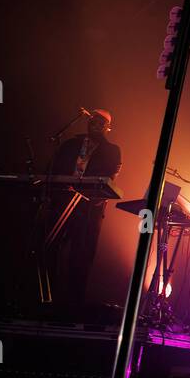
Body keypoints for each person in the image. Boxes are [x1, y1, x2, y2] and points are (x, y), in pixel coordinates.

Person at [47, 108, 121, 308]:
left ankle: (73, 302)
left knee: (81, 254)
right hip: (62, 201)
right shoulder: (70, 144)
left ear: (107, 127)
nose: (95, 124)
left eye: (100, 122)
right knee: (51, 248)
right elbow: (55, 169)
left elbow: (109, 177)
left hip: (90, 207)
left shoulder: (112, 149)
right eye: (92, 120)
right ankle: (47, 297)